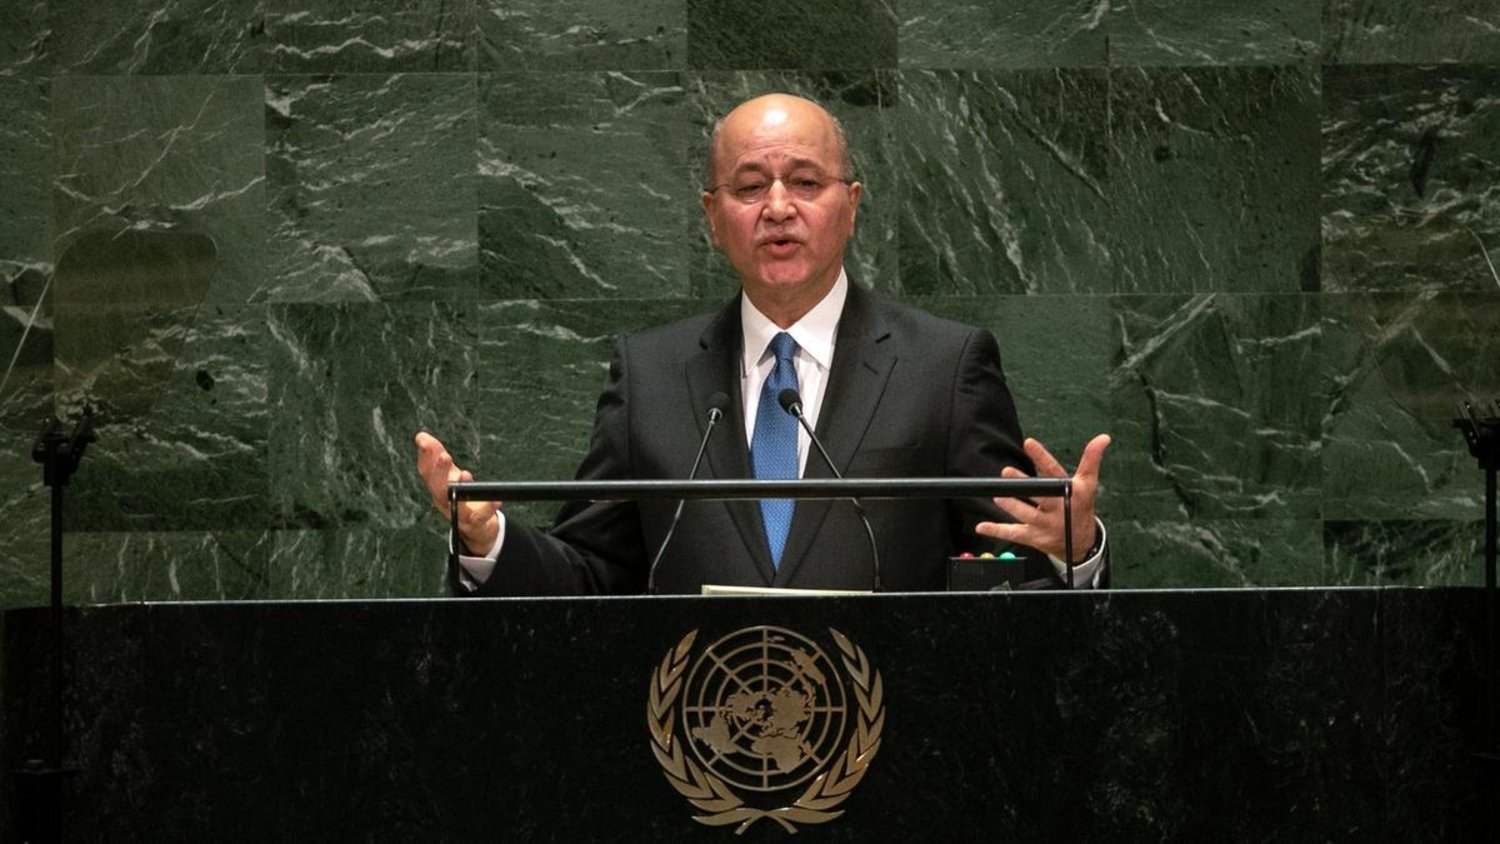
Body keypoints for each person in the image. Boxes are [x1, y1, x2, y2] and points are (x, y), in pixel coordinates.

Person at [415, 93, 1111, 595]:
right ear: (713, 217)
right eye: (750, 187)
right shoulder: (650, 375)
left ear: (852, 204)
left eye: (806, 182)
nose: (779, 207)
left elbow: (1008, 576)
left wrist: (1072, 555)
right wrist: (490, 543)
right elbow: (595, 576)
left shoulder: (944, 366)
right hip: (697, 754)